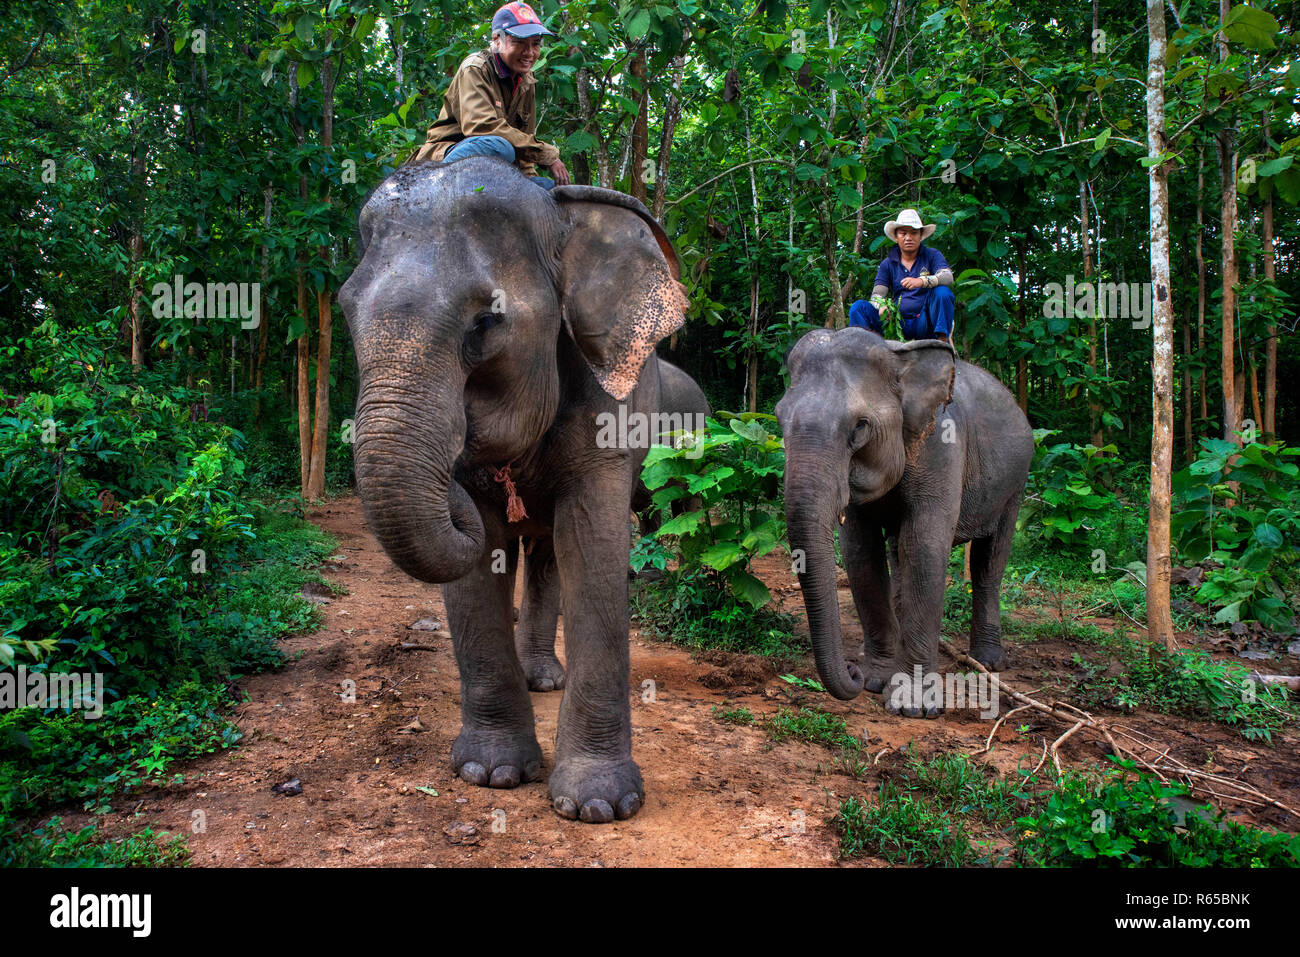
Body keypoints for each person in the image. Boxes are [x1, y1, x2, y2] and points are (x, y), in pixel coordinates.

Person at [410, 2, 571, 189]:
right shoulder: (475, 68)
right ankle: (433, 188)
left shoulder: (527, 80)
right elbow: (480, 127)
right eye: (519, 43)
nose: (529, 53)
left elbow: (523, 140)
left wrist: (531, 185)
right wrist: (547, 154)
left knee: (551, 191)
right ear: (497, 40)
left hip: (496, 169)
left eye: (535, 44)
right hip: (449, 155)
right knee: (500, 147)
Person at [849, 209, 955, 342]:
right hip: (895, 323)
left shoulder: (932, 255)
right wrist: (880, 306)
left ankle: (941, 339)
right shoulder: (887, 264)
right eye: (903, 233)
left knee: (943, 292)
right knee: (858, 308)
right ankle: (861, 349)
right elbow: (877, 295)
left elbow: (947, 276)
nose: (908, 238)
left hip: (924, 322)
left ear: (920, 235)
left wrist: (922, 281)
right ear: (896, 236)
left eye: (914, 233)